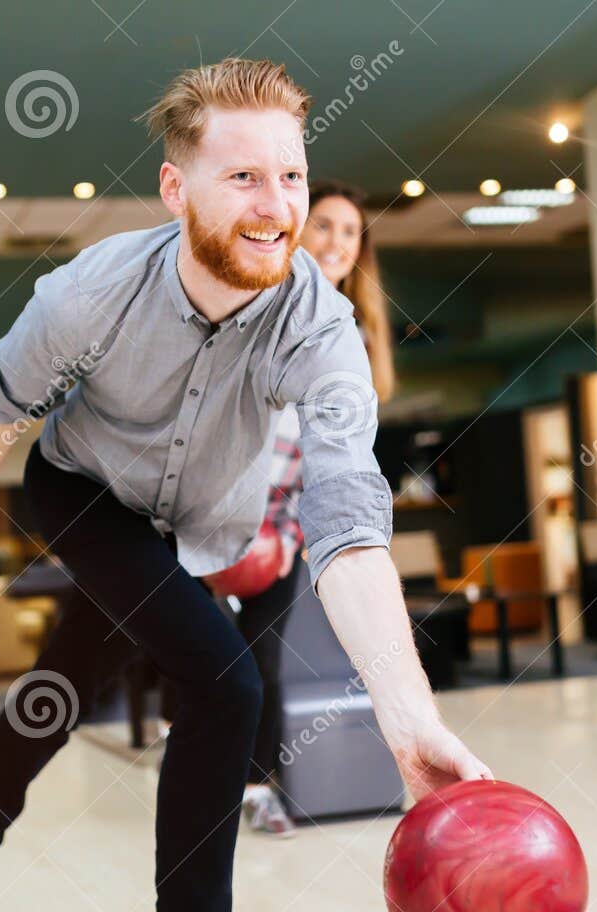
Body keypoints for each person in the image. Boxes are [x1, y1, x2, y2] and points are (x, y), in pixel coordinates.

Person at [0, 57, 492, 912]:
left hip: (199, 524)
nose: (279, 208)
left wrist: (410, 720)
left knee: (64, 682)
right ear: (176, 189)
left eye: (293, 177)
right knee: (224, 684)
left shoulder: (321, 327)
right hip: (85, 492)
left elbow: (348, 517)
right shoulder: (87, 293)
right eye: (244, 179)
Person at [236, 178, 396, 838]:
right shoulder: (269, 303)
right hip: (225, 504)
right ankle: (213, 765)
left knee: (258, 657)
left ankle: (257, 784)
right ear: (300, 230)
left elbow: (344, 446)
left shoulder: (357, 332)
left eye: (349, 232)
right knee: (211, 656)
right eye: (324, 225)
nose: (335, 241)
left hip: (286, 521)